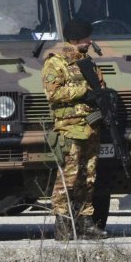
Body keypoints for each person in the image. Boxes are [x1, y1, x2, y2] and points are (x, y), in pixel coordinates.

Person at [42, 18, 108, 241]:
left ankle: (85, 222)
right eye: (87, 37)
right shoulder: (56, 63)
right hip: (70, 130)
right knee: (68, 179)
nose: (90, 41)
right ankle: (63, 224)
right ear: (76, 38)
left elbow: (100, 87)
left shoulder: (89, 62)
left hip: (90, 127)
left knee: (88, 177)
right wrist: (83, 91)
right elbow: (53, 93)